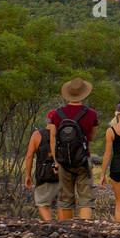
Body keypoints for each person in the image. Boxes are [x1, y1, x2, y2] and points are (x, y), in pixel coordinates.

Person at [47, 78, 99, 221]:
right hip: (83, 159)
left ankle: (68, 232)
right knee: (85, 198)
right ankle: (84, 228)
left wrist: (57, 161)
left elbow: (53, 138)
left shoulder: (57, 114)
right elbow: (91, 137)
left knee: (65, 199)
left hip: (64, 161)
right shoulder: (92, 114)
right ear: (84, 94)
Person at [21, 124, 60, 220]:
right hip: (63, 174)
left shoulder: (37, 135)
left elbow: (29, 156)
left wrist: (28, 175)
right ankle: (62, 227)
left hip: (45, 175)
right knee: (63, 205)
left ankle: (50, 224)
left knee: (42, 203)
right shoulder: (64, 135)